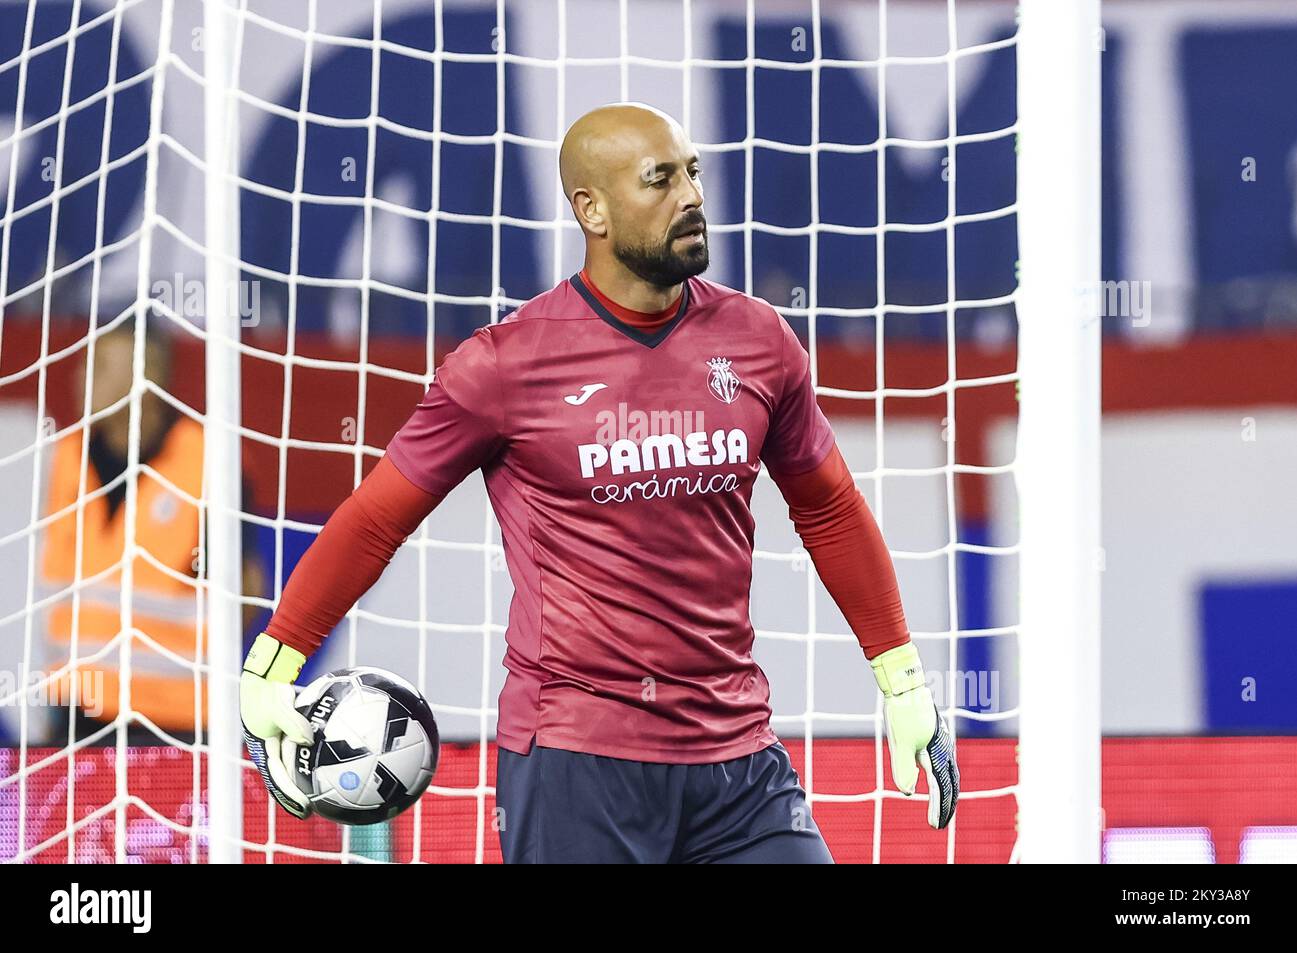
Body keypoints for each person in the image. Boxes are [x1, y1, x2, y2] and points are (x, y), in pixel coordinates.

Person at [241, 103, 958, 863]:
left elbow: (831, 509)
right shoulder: (503, 363)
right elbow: (376, 518)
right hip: (576, 763)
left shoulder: (758, 340)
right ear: (593, 209)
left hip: (738, 756)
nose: (691, 197)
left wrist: (904, 681)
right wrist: (273, 664)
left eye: (693, 173)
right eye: (659, 180)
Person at [41, 323, 264, 746]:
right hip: (74, 709)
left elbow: (246, 588)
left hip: (173, 720)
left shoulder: (207, 462)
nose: (82, 378)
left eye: (101, 365)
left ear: (150, 374)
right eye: (85, 365)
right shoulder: (68, 455)